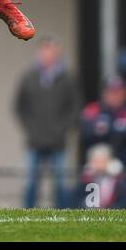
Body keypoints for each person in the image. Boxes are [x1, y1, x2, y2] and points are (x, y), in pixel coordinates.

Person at [14, 37, 79, 208]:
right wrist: (30, 127)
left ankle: (62, 214)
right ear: (39, 53)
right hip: (35, 139)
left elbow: (75, 107)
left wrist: (63, 128)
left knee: (60, 181)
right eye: (45, 51)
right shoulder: (28, 77)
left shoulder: (67, 79)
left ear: (57, 54)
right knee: (31, 181)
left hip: (58, 140)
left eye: (52, 52)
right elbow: (20, 106)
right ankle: (28, 213)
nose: (48, 55)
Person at [81, 76, 126, 167]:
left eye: (119, 92)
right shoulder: (93, 108)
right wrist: (117, 127)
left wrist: (107, 127)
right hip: (97, 164)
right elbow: (86, 131)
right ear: (104, 93)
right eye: (111, 92)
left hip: (125, 161)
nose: (115, 96)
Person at [79, 144, 126, 210]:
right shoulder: (85, 180)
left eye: (102, 160)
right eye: (95, 161)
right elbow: (77, 200)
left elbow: (125, 201)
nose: (99, 164)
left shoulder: (120, 180)